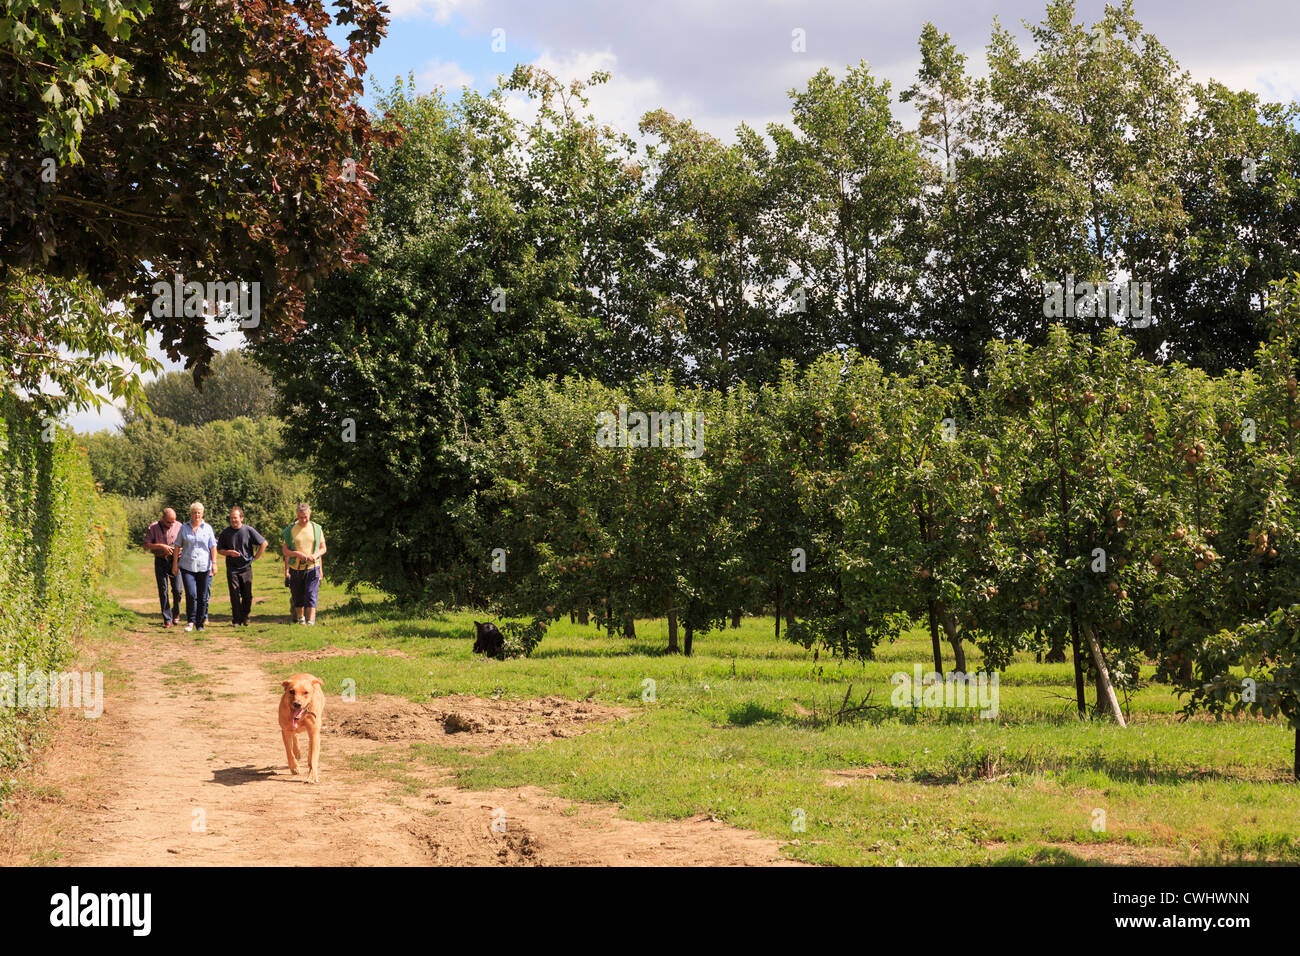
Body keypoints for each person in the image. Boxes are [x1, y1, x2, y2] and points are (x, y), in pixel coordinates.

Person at [217, 506, 266, 627]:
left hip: (246, 567)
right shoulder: (225, 532)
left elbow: (264, 543)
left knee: (247, 595)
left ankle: (245, 616)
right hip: (232, 568)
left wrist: (255, 558)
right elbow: (219, 550)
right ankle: (236, 620)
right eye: (231, 518)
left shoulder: (248, 530)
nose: (233, 520)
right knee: (234, 594)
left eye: (235, 518)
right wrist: (229, 553)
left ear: (241, 518)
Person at [173, 501, 217, 633]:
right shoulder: (184, 528)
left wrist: (214, 563)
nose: (196, 515)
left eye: (199, 512)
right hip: (187, 566)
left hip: (204, 566)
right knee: (191, 594)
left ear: (202, 513)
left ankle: (200, 623)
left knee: (203, 596)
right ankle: (191, 621)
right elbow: (177, 546)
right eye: (194, 512)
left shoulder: (208, 528)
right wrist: (175, 564)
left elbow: (213, 546)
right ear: (190, 514)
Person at [282, 503, 326, 625]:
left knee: (311, 594)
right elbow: (285, 551)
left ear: (309, 515)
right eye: (301, 517)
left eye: (306, 517)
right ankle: (301, 618)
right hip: (295, 568)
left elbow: (323, 548)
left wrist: (315, 555)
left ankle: (311, 621)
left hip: (313, 567)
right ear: (297, 516)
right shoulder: (290, 530)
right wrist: (296, 554)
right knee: (297, 595)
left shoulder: (316, 529)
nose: (304, 520)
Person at [143, 507, 183, 628]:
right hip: (160, 561)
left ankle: (176, 613)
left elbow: (186, 542)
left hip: (175, 561)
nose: (171, 524)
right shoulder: (153, 527)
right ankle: (167, 618)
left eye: (173, 521)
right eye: (168, 522)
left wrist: (181, 550)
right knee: (163, 590)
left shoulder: (179, 526)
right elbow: (146, 545)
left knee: (178, 590)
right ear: (162, 518)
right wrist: (161, 546)